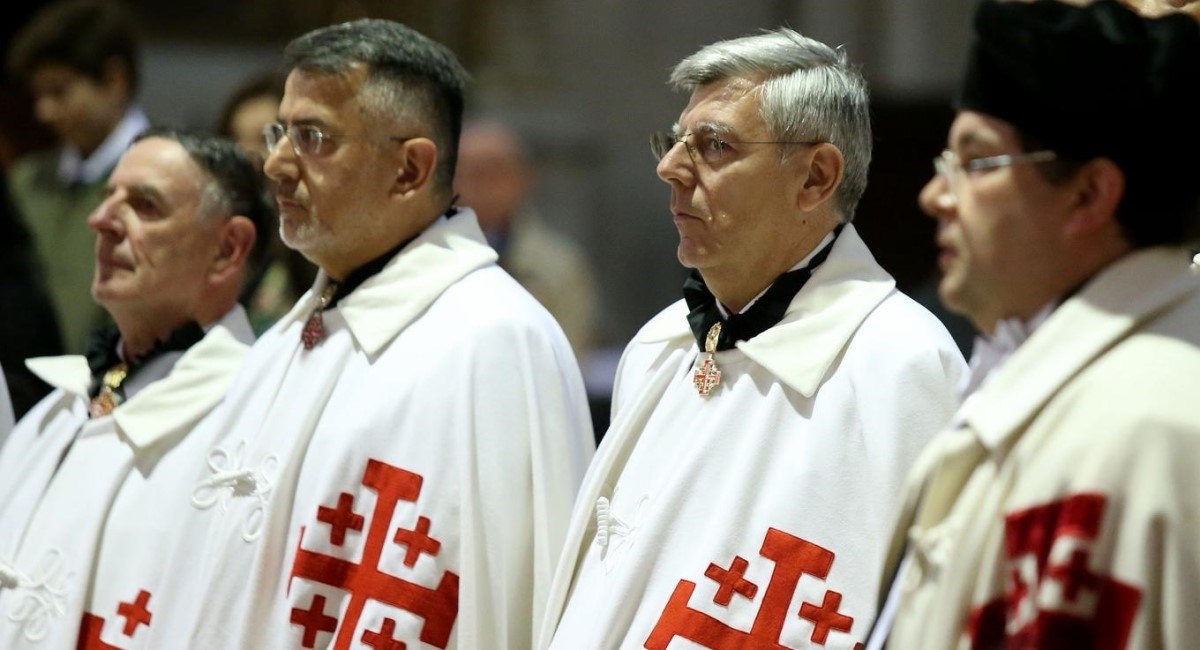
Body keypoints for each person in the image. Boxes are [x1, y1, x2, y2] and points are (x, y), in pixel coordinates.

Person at [142, 19, 594, 649]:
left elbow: (508, 605)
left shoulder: (495, 342)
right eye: (280, 132)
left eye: (312, 137)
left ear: (409, 169)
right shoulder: (281, 342)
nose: (274, 164)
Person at [540, 28, 965, 649]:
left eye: (713, 145)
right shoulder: (662, 342)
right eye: (675, 140)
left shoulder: (901, 366)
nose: (669, 168)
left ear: (816, 178)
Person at [867, 1, 1200, 647]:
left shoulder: (1152, 425)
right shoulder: (1036, 370)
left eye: (977, 162)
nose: (935, 197)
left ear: (1088, 195)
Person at [0, 129, 268, 649]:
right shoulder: (64, 401)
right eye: (108, 198)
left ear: (228, 247)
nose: (101, 222)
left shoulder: (246, 424)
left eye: (145, 205)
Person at [6, 0, 151, 355]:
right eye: (38, 95)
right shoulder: (27, 181)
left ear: (114, 80)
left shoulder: (168, 181)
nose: (44, 111)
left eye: (59, 91)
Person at [455, 119, 599, 357]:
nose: (482, 183)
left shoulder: (560, 265)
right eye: (470, 171)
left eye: (496, 170)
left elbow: (568, 351)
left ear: (524, 179)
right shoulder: (420, 255)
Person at [215, 71, 317, 333]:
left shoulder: (313, 242)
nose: (246, 154)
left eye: (264, 139)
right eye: (234, 138)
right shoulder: (214, 241)